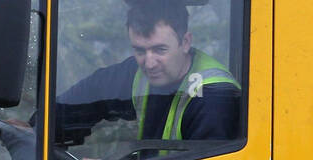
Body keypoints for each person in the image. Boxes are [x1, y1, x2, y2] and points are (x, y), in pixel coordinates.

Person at [54, 0, 241, 152]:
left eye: (160, 50)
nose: (149, 63)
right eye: (140, 50)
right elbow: (84, 98)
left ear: (185, 42)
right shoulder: (135, 71)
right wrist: (36, 128)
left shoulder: (214, 97)